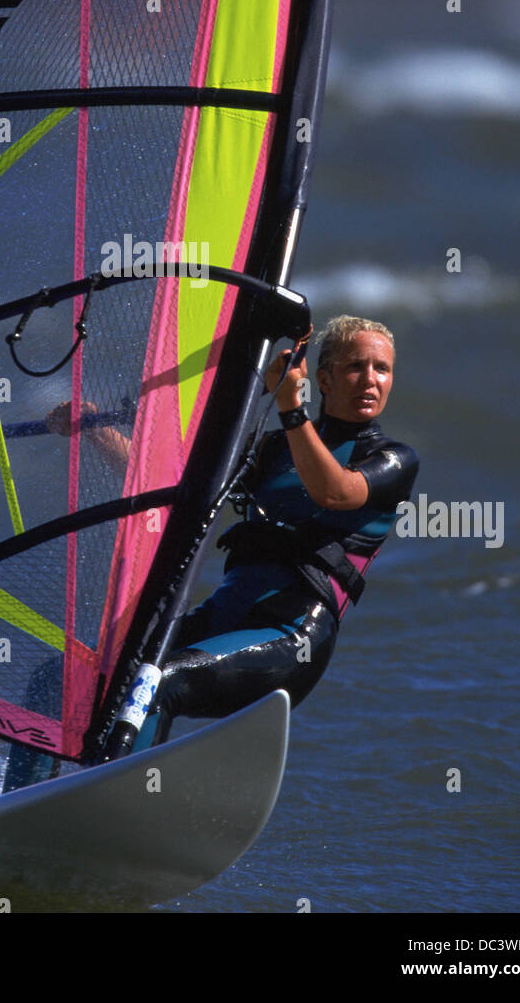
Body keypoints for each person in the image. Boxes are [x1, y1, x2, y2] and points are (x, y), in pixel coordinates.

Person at [132, 313, 419, 747]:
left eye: (382, 368)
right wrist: (91, 430)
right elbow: (178, 481)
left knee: (159, 681)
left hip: (291, 636)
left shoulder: (394, 458)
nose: (371, 379)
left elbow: (334, 492)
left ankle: (125, 800)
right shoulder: (273, 448)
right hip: (223, 616)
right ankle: (29, 795)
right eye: (356, 366)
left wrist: (290, 407)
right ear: (324, 378)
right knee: (98, 670)